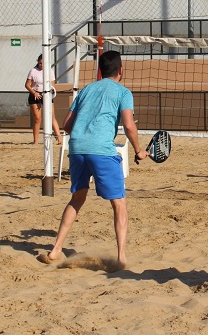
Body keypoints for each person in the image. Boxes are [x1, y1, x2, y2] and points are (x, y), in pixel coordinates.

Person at [39, 50, 148, 269]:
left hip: (77, 148)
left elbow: (67, 125)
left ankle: (56, 249)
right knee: (119, 204)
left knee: (77, 199)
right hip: (101, 150)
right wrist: (138, 150)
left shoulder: (87, 89)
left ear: (100, 70)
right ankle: (121, 258)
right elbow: (128, 125)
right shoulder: (123, 92)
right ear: (120, 70)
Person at [25, 54, 62, 145]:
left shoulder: (50, 71)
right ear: (38, 62)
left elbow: (53, 85)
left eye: (43, 63)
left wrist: (52, 92)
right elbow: (27, 85)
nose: (41, 65)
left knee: (52, 117)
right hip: (35, 95)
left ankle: (59, 139)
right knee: (37, 119)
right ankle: (36, 141)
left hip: (47, 95)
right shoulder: (33, 71)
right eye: (40, 63)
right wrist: (34, 93)